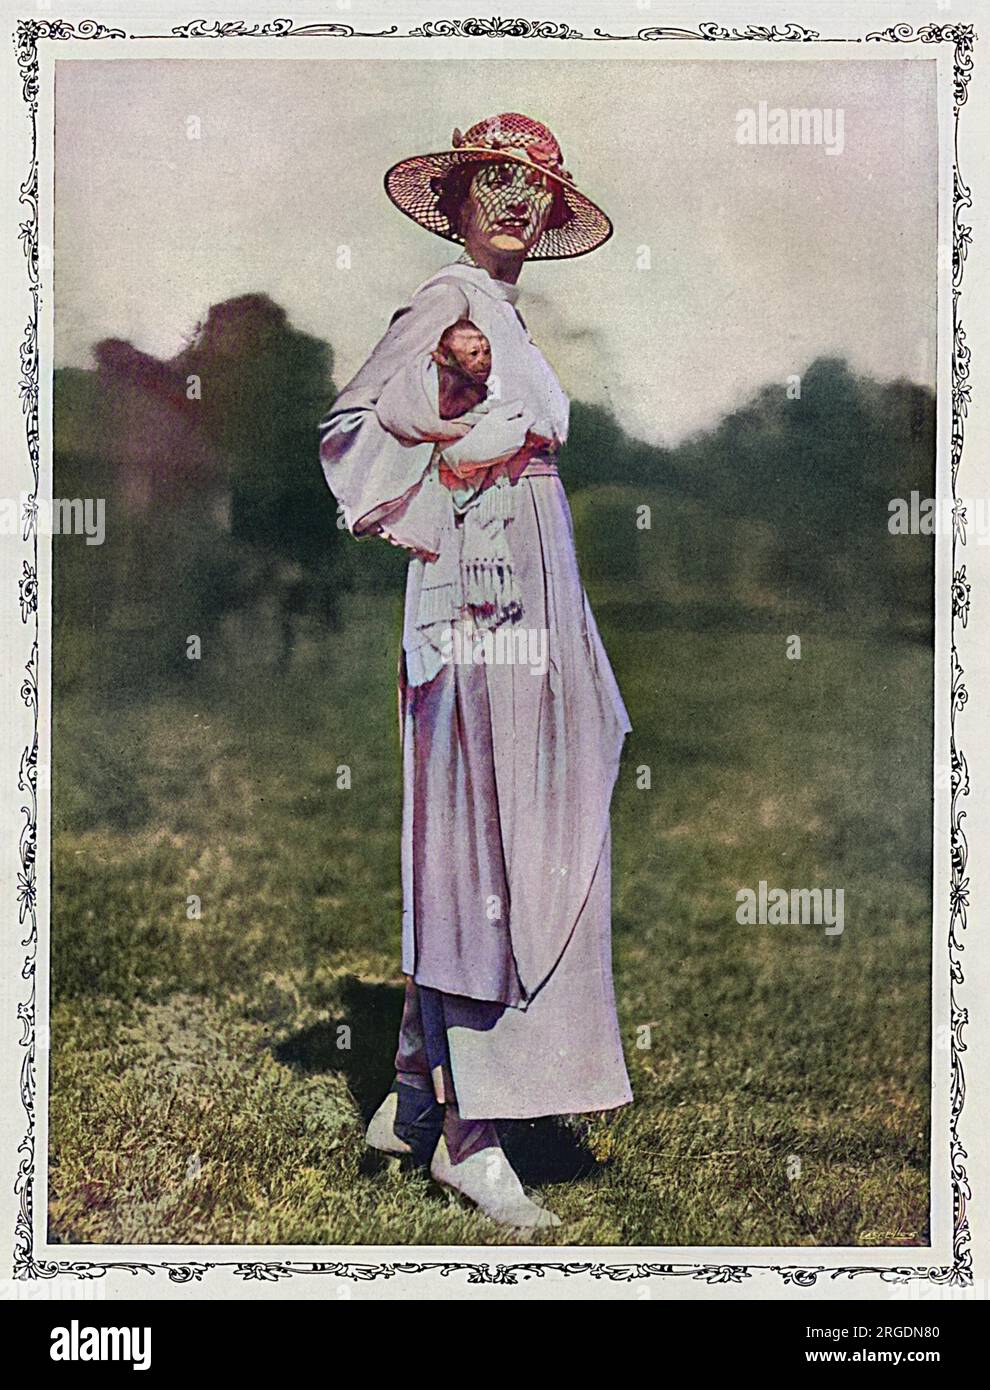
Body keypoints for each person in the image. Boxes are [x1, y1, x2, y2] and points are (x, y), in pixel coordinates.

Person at [319, 113, 632, 1230]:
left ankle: (416, 1091)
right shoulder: (448, 300)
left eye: (533, 187)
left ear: (549, 215)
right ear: (453, 203)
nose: (513, 200)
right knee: (483, 829)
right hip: (479, 586)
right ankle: (471, 1135)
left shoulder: (506, 313)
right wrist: (446, 400)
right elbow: (357, 428)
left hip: (536, 571)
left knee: (540, 800)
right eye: (490, 181)